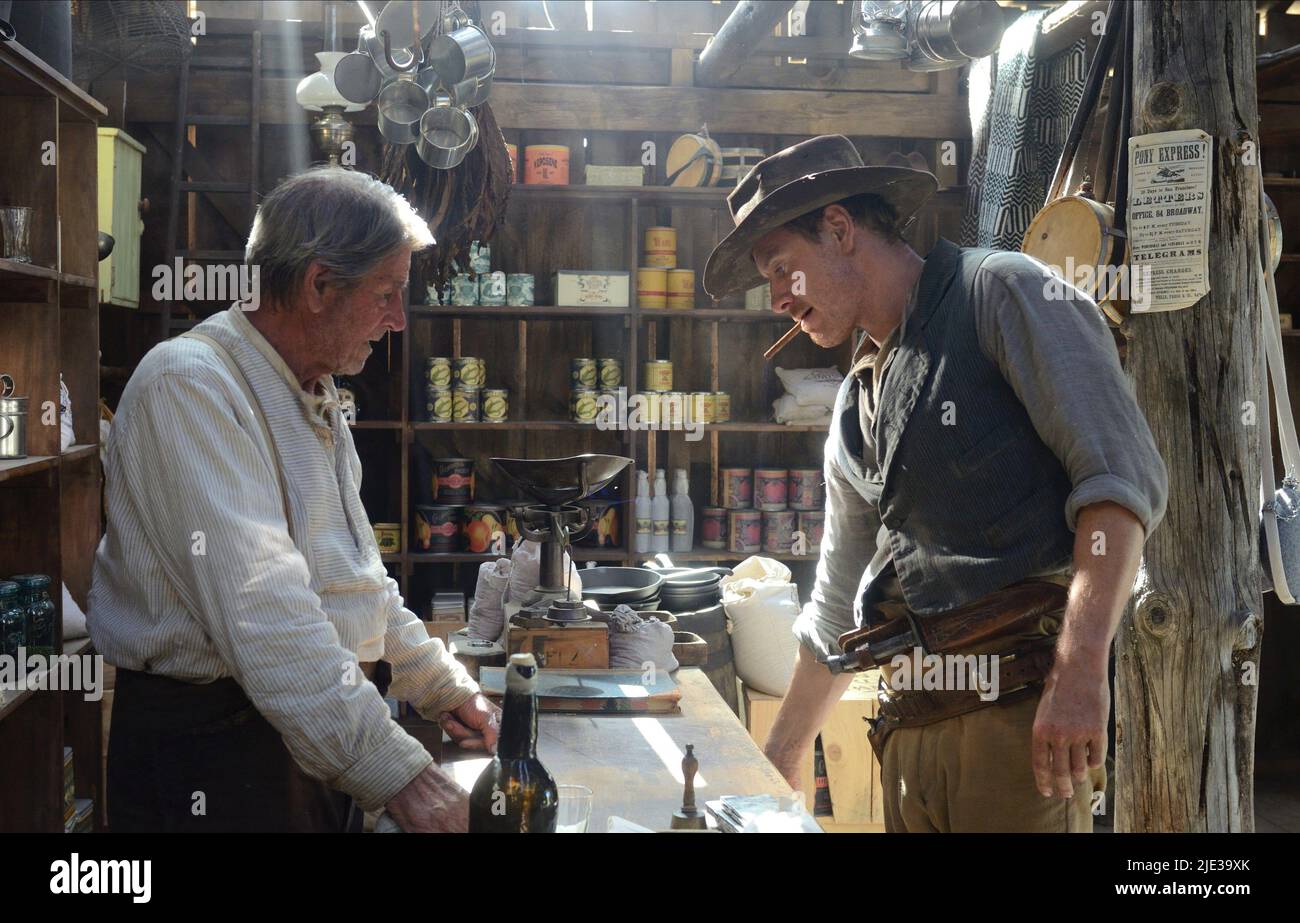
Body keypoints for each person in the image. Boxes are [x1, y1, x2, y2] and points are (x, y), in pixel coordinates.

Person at [703, 135, 1169, 832]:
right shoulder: (855, 405)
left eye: (782, 270)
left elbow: (1118, 489)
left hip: (1018, 725)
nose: (777, 299)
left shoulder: (1004, 292)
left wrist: (1078, 675)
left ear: (838, 228)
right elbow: (836, 605)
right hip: (908, 734)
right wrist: (782, 757)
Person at [89, 167, 496, 832]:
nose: (397, 319)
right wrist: (404, 776)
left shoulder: (312, 391)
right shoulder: (190, 387)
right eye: (387, 293)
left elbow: (354, 581)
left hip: (301, 729)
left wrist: (441, 684)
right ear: (318, 284)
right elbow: (265, 612)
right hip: (211, 753)